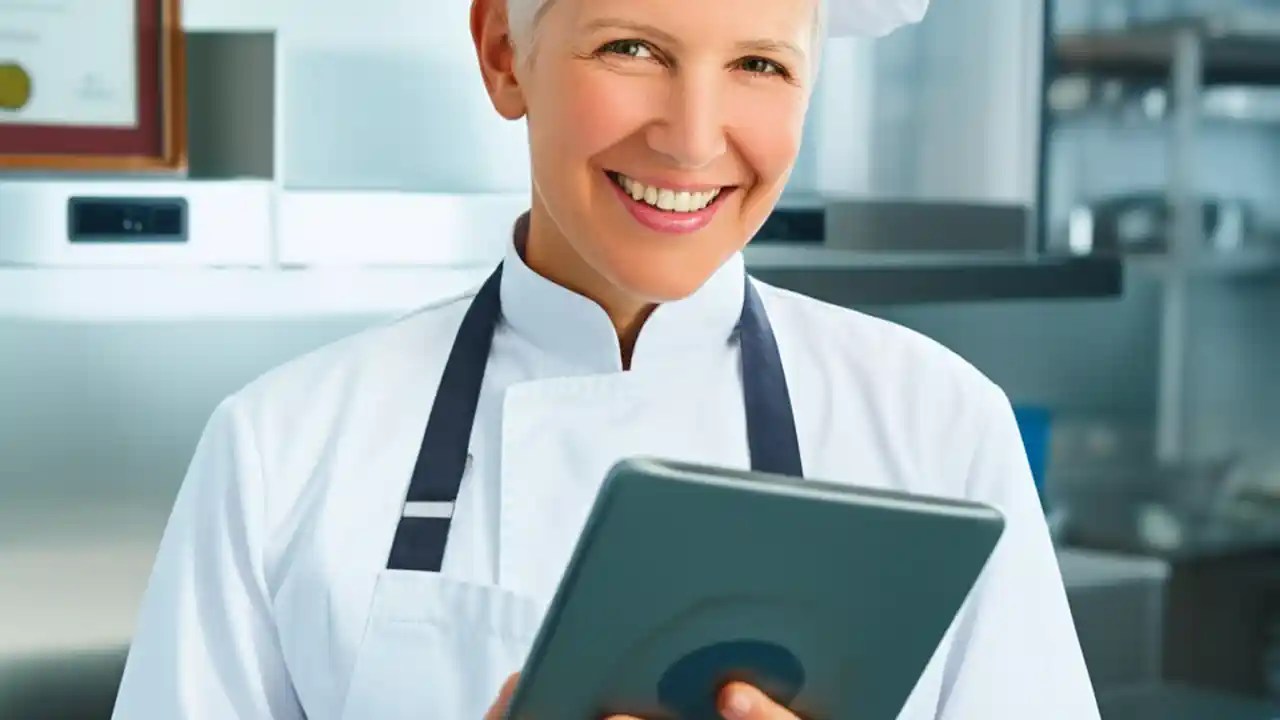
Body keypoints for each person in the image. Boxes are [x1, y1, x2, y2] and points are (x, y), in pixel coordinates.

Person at [112, 0, 1100, 718]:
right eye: (631, 47)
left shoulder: (937, 430)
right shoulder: (281, 449)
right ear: (504, 52)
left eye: (759, 64)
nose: (691, 137)